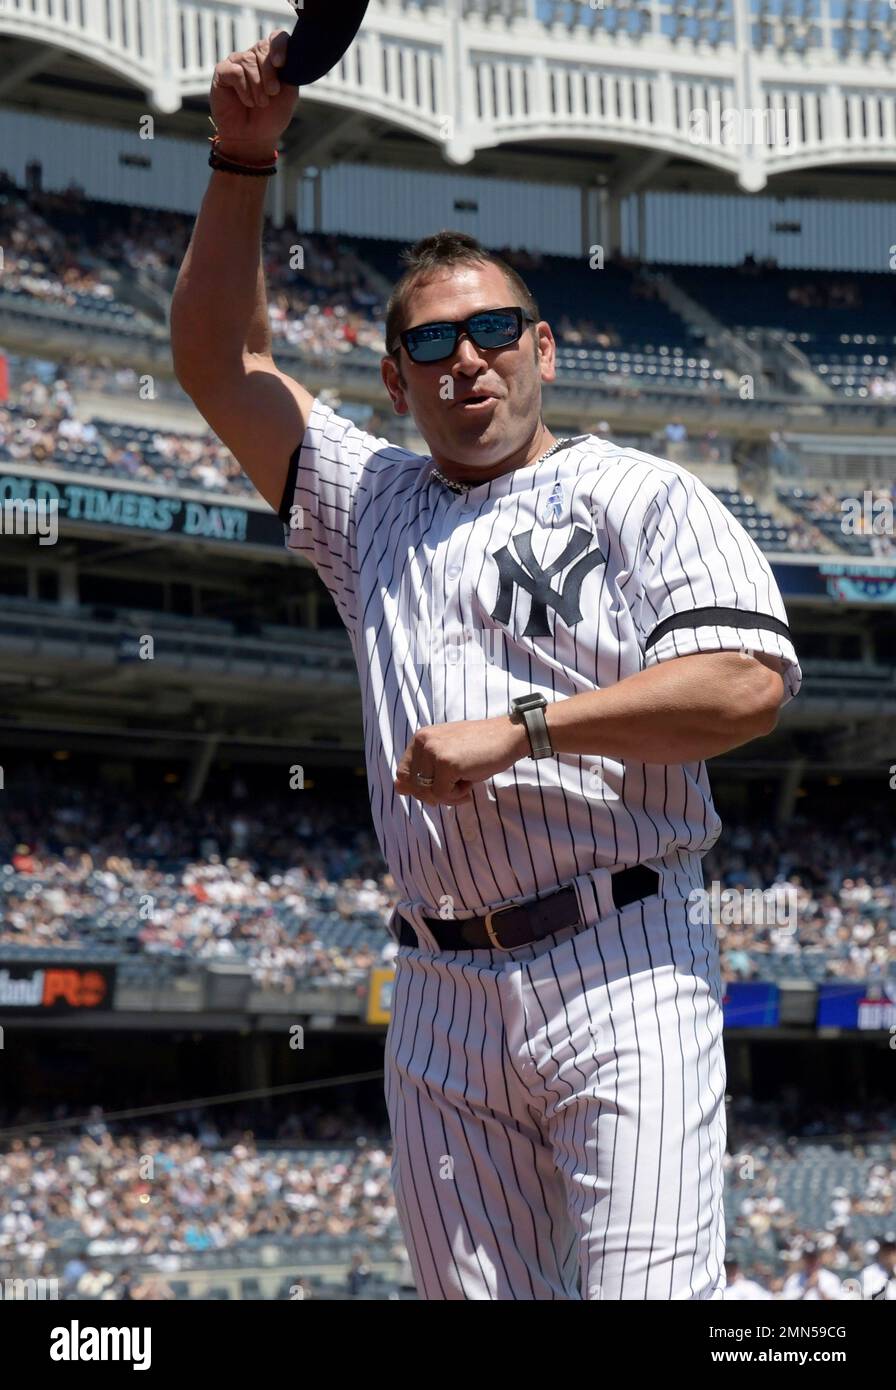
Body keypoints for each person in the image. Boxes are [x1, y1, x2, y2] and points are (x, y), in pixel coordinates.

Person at [171, 29, 801, 1301]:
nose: (466, 357)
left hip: (619, 952)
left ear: (542, 347)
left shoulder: (638, 493)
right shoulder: (370, 503)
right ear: (399, 384)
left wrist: (525, 728)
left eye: (494, 328)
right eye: (430, 345)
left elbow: (746, 683)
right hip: (439, 982)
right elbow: (220, 365)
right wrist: (243, 157)